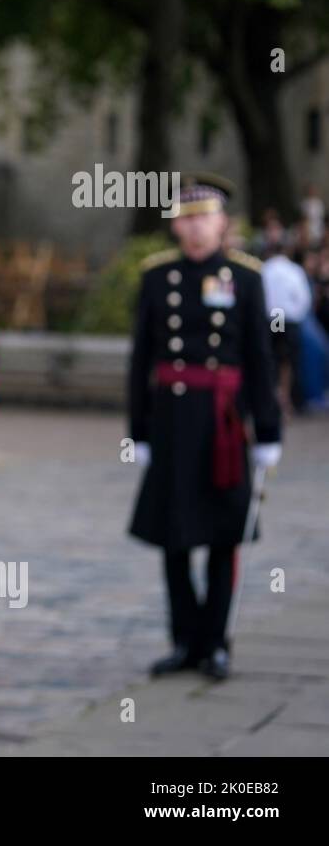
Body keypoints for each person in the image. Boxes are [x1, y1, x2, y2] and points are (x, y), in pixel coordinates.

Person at [129, 173, 282, 681]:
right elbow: (141, 362)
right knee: (174, 537)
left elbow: (261, 359)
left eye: (204, 219)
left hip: (224, 424)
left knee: (222, 535)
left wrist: (269, 431)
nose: (195, 229)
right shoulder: (156, 277)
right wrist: (140, 433)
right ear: (176, 226)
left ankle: (216, 642)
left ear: (223, 224)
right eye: (186, 219)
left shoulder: (247, 278)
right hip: (172, 423)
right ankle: (184, 641)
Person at [260, 240, 313, 414]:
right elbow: (303, 298)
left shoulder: (265, 268)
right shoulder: (293, 270)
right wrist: (296, 316)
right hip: (287, 317)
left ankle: (277, 397)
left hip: (274, 316)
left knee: (275, 358)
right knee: (287, 359)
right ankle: (287, 399)